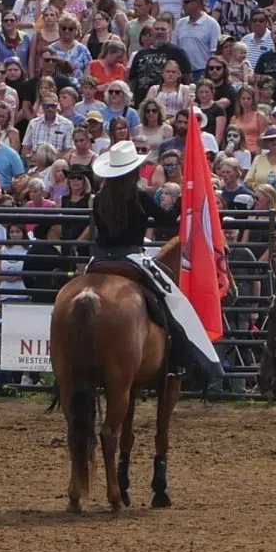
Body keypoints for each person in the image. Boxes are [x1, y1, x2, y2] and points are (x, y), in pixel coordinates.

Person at [89, 140, 222, 382]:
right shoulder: (140, 197)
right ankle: (189, 360)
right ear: (134, 170)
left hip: (98, 260)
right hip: (131, 258)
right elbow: (168, 220)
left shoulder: (99, 198)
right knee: (175, 300)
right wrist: (183, 195)